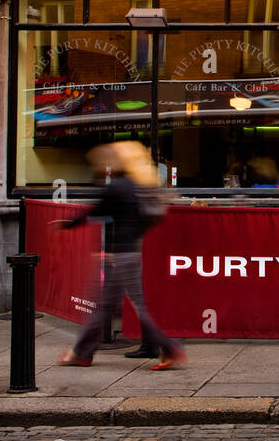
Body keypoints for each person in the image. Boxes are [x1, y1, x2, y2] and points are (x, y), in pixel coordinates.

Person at [55, 141, 186, 371]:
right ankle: (82, 353)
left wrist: (66, 225)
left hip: (120, 256)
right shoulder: (142, 185)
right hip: (130, 251)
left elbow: (95, 212)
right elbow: (149, 218)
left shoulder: (117, 187)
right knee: (105, 306)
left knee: (132, 306)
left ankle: (171, 349)